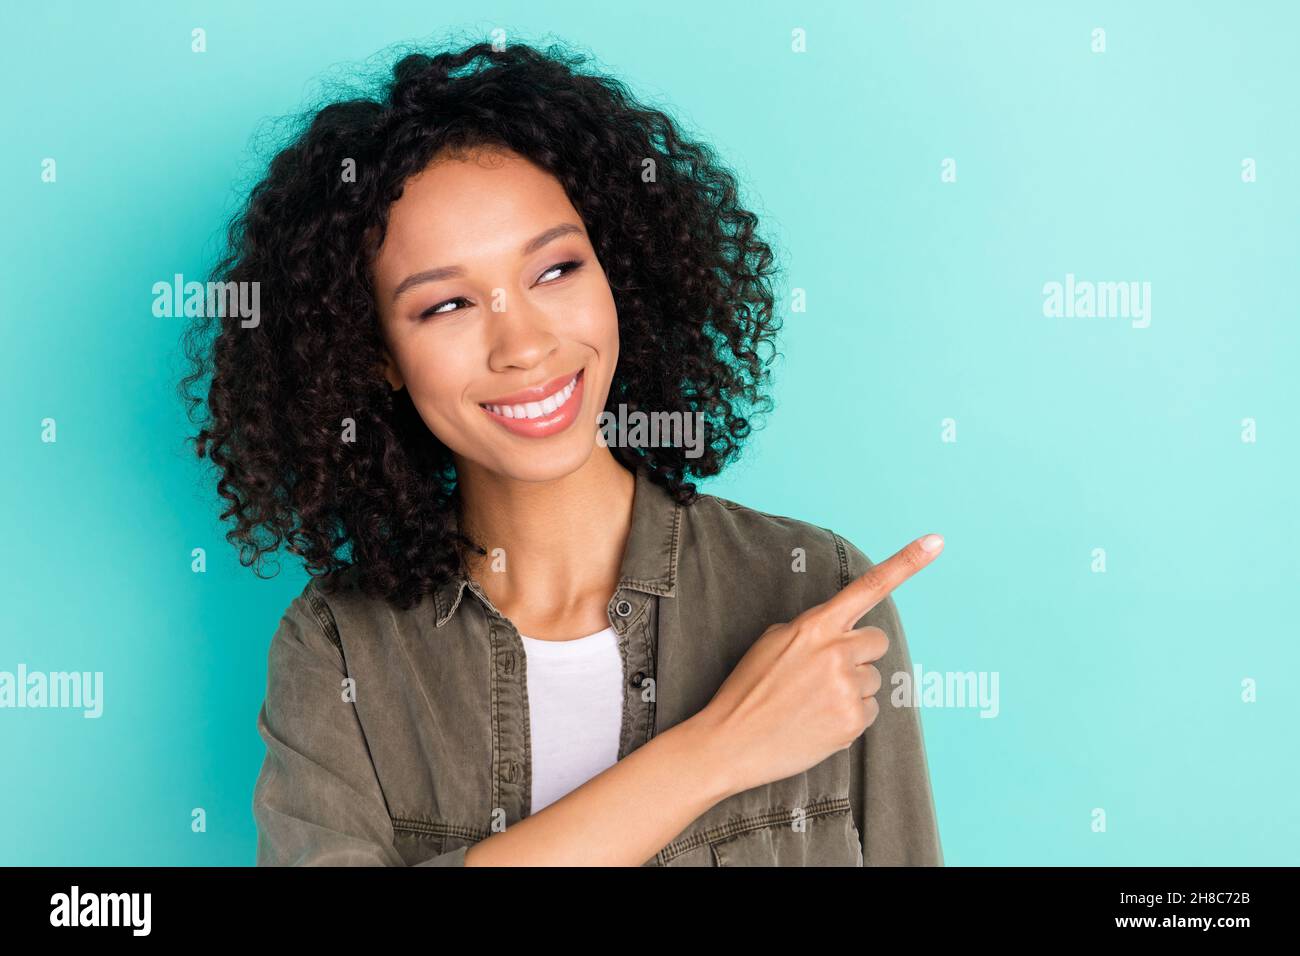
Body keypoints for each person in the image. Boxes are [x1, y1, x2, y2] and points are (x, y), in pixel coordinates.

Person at [179, 39, 943, 866]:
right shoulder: (339, 650)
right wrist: (719, 749)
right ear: (374, 356)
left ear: (618, 270)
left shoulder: (814, 594)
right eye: (446, 306)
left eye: (555, 270)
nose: (524, 344)